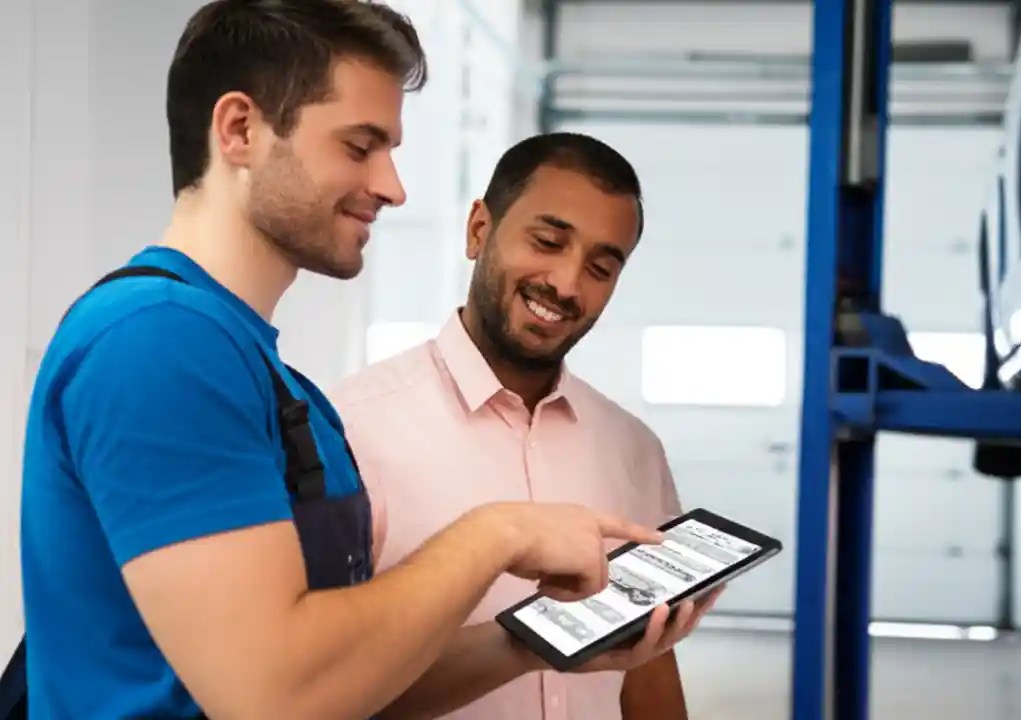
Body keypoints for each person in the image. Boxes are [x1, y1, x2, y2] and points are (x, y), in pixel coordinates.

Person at [16, 3, 694, 719]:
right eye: (359, 146)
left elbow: (347, 687)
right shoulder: (158, 344)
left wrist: (535, 641)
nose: (393, 186)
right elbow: (275, 696)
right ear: (240, 130)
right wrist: (499, 532)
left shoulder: (271, 379)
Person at [329, 132, 718, 720]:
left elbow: (647, 668)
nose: (566, 285)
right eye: (547, 241)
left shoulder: (633, 449)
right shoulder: (351, 430)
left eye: (600, 267)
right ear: (478, 230)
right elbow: (317, 687)